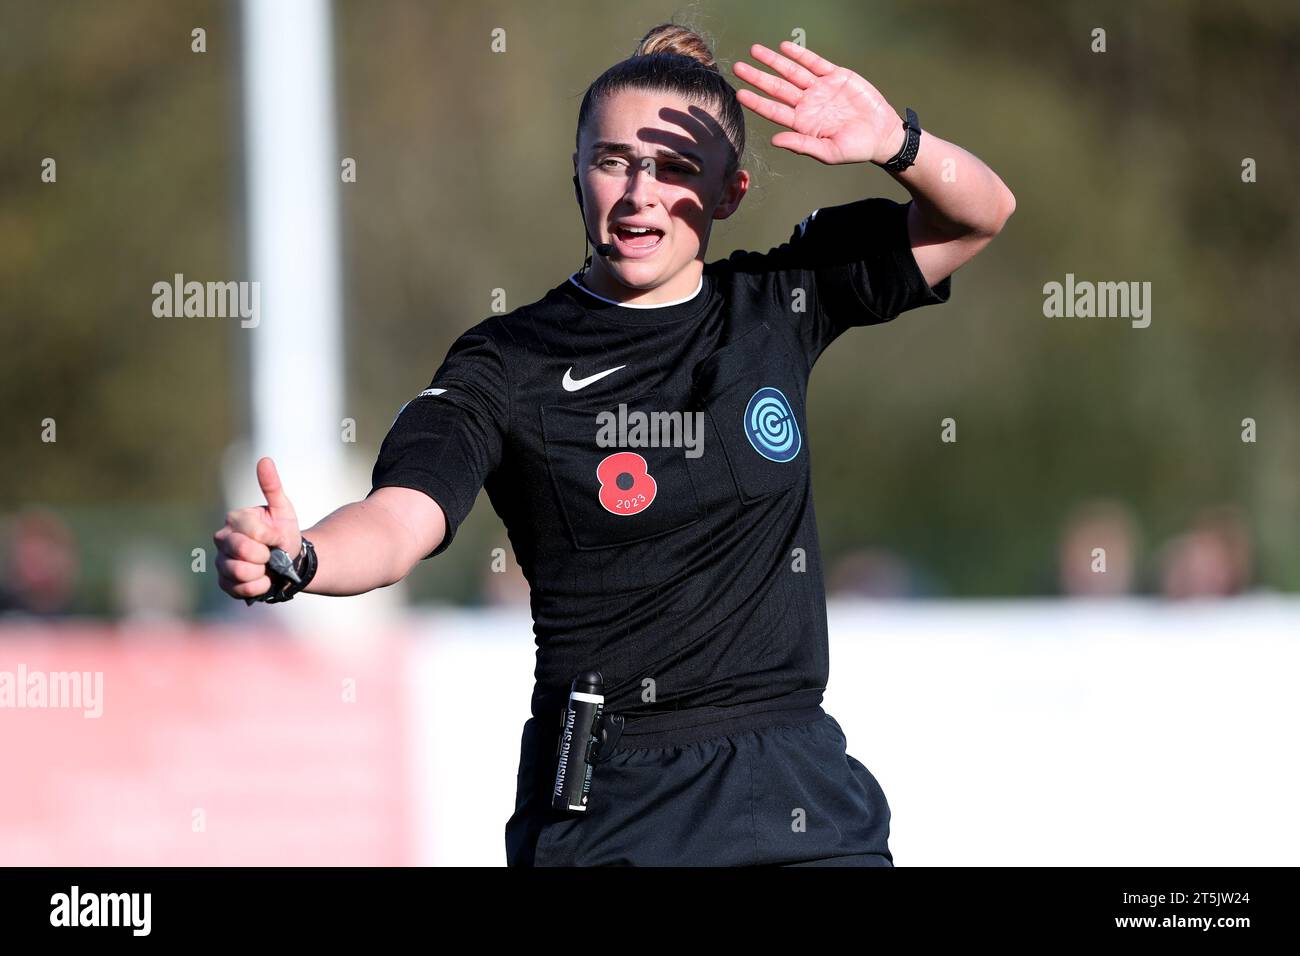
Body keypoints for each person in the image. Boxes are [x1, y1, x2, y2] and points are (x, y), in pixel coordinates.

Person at [213, 23, 1015, 865]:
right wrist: (300, 558)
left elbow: (978, 214)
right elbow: (400, 517)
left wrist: (899, 143)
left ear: (729, 190)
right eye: (613, 161)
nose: (639, 194)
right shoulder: (508, 361)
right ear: (578, 171)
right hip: (614, 810)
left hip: (797, 794)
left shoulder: (779, 300)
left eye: (672, 169)